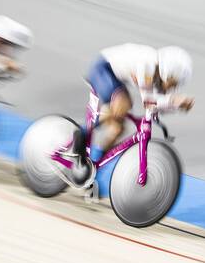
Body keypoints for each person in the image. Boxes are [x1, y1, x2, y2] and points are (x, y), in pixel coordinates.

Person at [68, 44, 195, 188]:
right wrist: (174, 101)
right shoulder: (147, 65)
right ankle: (82, 132)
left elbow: (156, 106)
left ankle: (91, 169)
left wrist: (176, 105)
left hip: (115, 78)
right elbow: (149, 102)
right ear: (168, 72)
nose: (173, 88)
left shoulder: (159, 74)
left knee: (118, 130)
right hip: (102, 69)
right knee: (123, 104)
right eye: (173, 83)